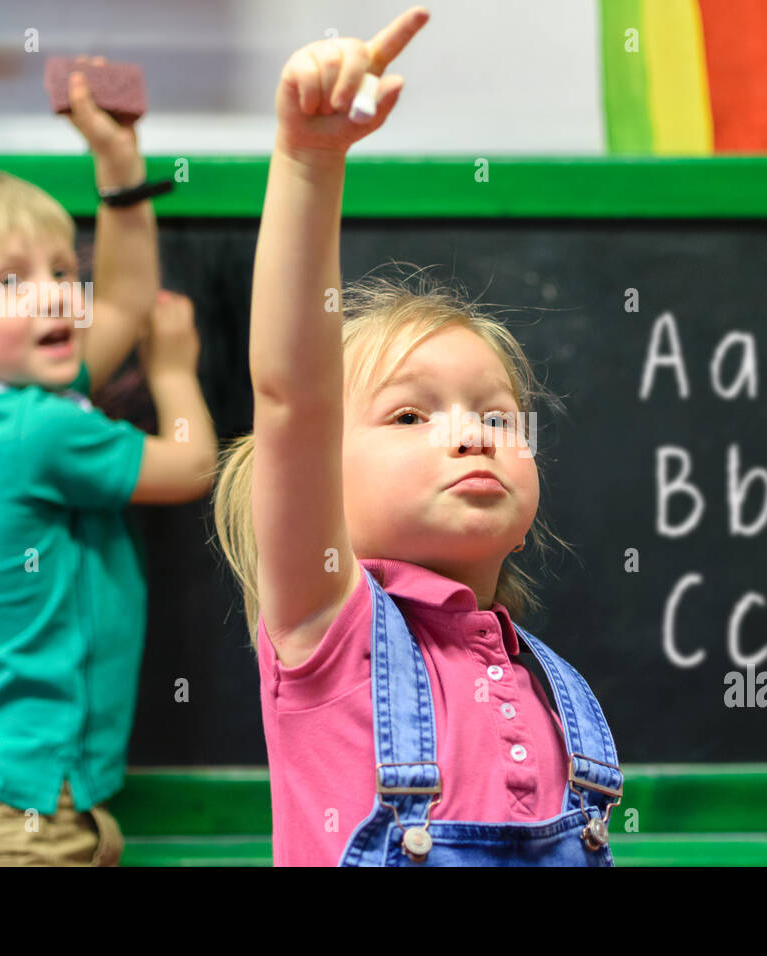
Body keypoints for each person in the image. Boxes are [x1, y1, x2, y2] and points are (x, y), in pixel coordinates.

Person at [213, 7, 622, 866]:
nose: (471, 434)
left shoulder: (545, 683)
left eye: (497, 415)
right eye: (409, 414)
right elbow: (291, 395)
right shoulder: (329, 625)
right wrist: (310, 161)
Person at [0, 57, 217, 865]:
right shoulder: (37, 431)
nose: (58, 297)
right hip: (18, 825)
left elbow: (129, 298)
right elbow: (189, 467)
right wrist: (171, 373)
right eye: (11, 282)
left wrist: (117, 160)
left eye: (65, 273)